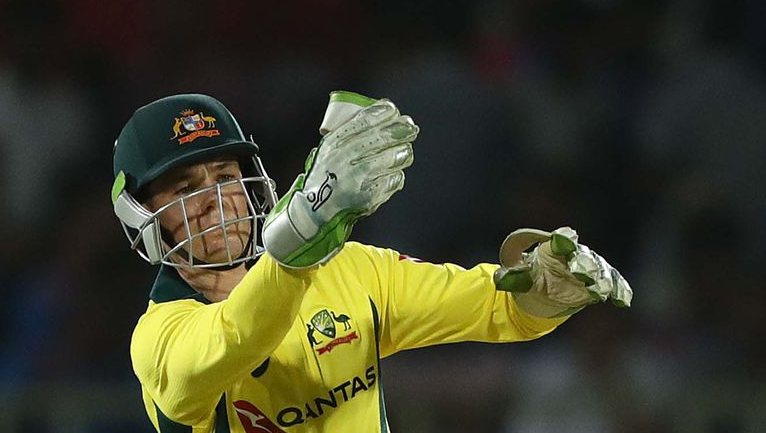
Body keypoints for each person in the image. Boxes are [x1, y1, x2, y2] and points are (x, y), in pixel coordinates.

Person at [111, 91, 632, 432]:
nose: (215, 200)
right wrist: (299, 241)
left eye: (226, 176)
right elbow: (238, 335)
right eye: (184, 189)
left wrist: (540, 292)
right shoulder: (159, 339)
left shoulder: (348, 270)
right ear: (143, 217)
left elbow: (496, 307)